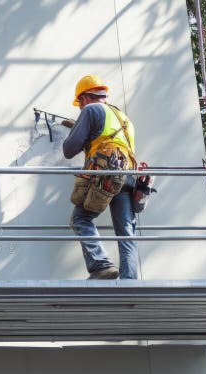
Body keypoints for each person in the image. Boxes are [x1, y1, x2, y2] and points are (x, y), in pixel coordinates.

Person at [62, 75, 138, 280]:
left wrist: (78, 130)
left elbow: (69, 150)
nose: (80, 108)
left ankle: (101, 265)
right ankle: (129, 281)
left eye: (79, 104)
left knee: (80, 217)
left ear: (85, 98)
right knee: (125, 231)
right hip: (129, 174)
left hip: (107, 172)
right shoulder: (124, 118)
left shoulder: (90, 110)